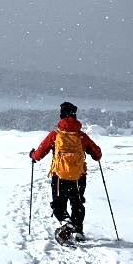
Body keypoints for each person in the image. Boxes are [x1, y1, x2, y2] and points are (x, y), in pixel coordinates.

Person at [30, 101, 102, 243]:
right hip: (79, 177)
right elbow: (97, 155)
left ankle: (67, 224)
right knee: (77, 203)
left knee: (58, 205)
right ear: (75, 116)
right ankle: (78, 231)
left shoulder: (55, 135)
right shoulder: (81, 136)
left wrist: (32, 155)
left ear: (61, 116)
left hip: (59, 177)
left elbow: (38, 155)